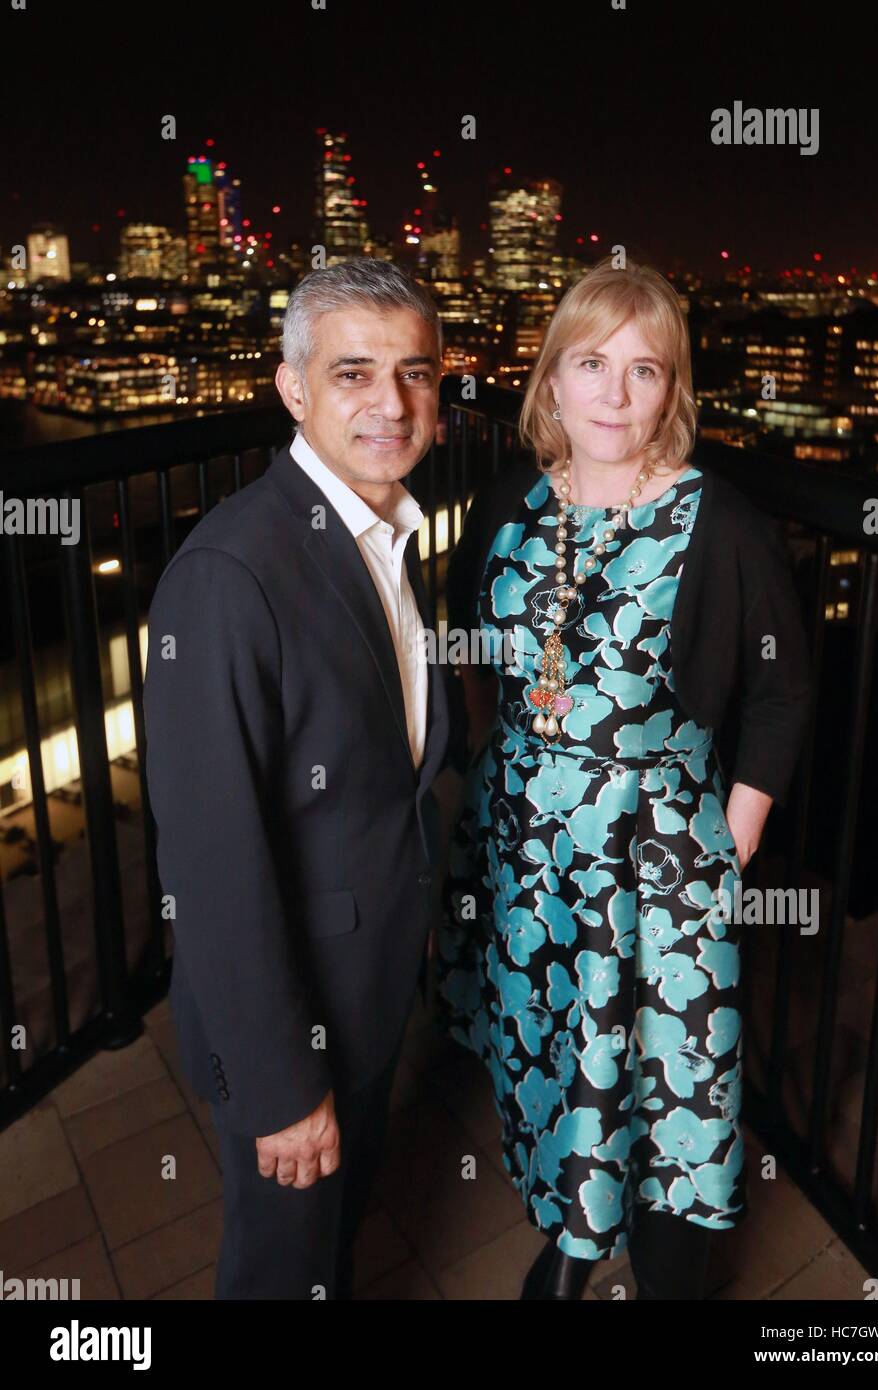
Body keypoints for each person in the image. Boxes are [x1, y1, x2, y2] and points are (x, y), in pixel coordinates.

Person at [437, 253, 813, 1300]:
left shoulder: (720, 524)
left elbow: (783, 693)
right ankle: (574, 1235)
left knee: (669, 1087)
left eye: (644, 370)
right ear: (550, 378)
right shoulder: (514, 494)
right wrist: (489, 748)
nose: (614, 392)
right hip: (525, 851)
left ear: (671, 393)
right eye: (592, 362)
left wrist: (726, 841)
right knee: (559, 1059)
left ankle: (666, 1277)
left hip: (653, 860)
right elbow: (471, 615)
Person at [143, 257, 449, 1299]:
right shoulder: (231, 574)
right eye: (354, 373)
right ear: (293, 388)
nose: (391, 404)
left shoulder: (385, 533)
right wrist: (278, 1087)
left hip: (364, 985)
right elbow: (211, 861)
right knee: (278, 1270)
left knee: (327, 1250)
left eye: (415, 373)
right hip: (288, 1019)